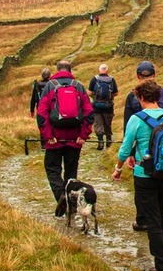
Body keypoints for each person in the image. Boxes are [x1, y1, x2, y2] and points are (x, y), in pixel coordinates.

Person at [113, 81, 163, 271]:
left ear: (141, 97)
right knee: (161, 214)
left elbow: (126, 149)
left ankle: (162, 265)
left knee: (152, 218)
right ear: (158, 96)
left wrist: (118, 169)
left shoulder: (136, 119)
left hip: (144, 175)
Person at [122, 60, 163, 231]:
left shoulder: (133, 96)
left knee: (142, 182)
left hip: (143, 151)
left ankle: (143, 218)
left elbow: (128, 128)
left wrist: (129, 152)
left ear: (138, 76)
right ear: (155, 74)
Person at [36, 60, 93, 216]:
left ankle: (61, 195)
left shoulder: (50, 86)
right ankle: (70, 202)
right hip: (74, 140)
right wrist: (83, 135)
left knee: (52, 169)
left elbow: (41, 114)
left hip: (55, 139)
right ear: (70, 70)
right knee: (71, 173)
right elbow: (88, 113)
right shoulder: (78, 86)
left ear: (57, 70)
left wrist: (48, 136)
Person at [88, 63, 119, 150]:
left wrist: (95, 98)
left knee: (98, 123)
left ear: (99, 70)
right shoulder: (112, 79)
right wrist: (110, 97)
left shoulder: (94, 79)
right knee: (107, 124)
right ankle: (108, 141)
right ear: (107, 70)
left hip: (97, 106)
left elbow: (89, 92)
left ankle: (100, 142)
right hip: (108, 106)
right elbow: (116, 93)